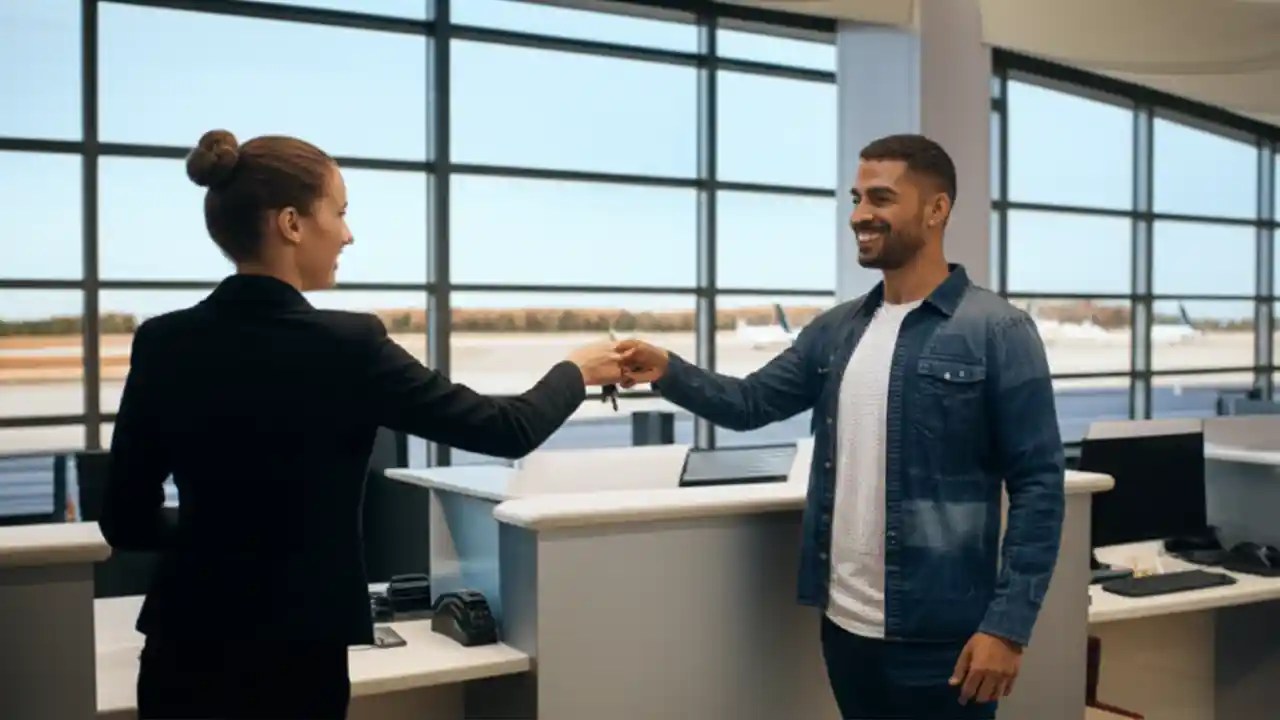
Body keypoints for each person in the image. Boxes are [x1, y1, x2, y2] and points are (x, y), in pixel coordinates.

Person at [99, 129, 625, 720]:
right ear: (292, 224)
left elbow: (126, 519)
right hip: (295, 661)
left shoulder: (163, 341)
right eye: (340, 212)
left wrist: (216, 530)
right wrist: (577, 371)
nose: (348, 233)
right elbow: (504, 429)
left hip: (183, 648)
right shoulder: (349, 345)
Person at [616, 134, 1065, 719]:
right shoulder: (837, 331)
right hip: (845, 629)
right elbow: (750, 403)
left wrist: (1008, 628)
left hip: (943, 640)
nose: (859, 215)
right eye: (856, 198)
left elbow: (1039, 486)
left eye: (880, 197)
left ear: (937, 210)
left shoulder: (999, 330)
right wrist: (667, 370)